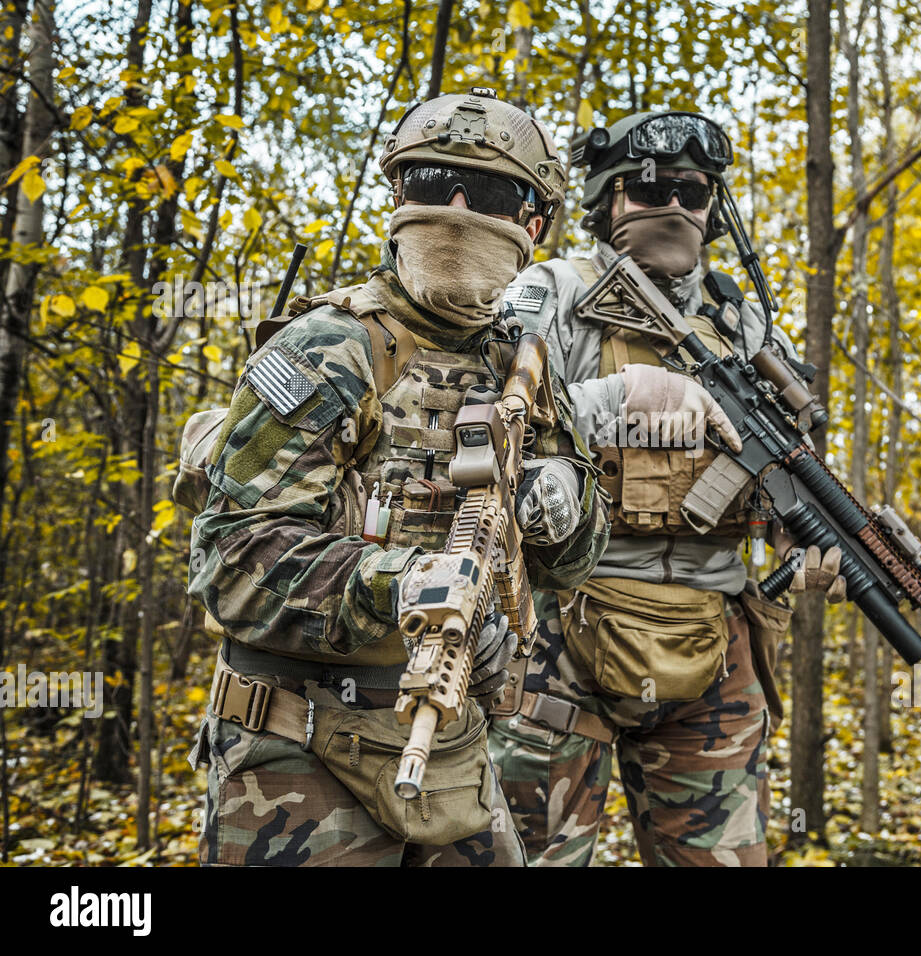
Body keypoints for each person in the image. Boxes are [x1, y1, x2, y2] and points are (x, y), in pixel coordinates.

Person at [182, 88, 609, 867]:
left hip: (453, 747)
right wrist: (405, 584)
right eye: (427, 185)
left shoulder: (522, 365)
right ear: (394, 197)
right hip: (299, 757)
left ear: (534, 224)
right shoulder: (328, 350)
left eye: (484, 195)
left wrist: (568, 506)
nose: (454, 208)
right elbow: (230, 562)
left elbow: (577, 561)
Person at [487, 109, 845, 867]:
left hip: (711, 649)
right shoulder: (552, 292)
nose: (674, 207)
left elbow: (784, 466)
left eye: (692, 190)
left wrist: (808, 542)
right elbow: (478, 426)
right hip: (558, 638)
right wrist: (614, 398)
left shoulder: (741, 324)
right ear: (607, 201)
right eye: (651, 190)